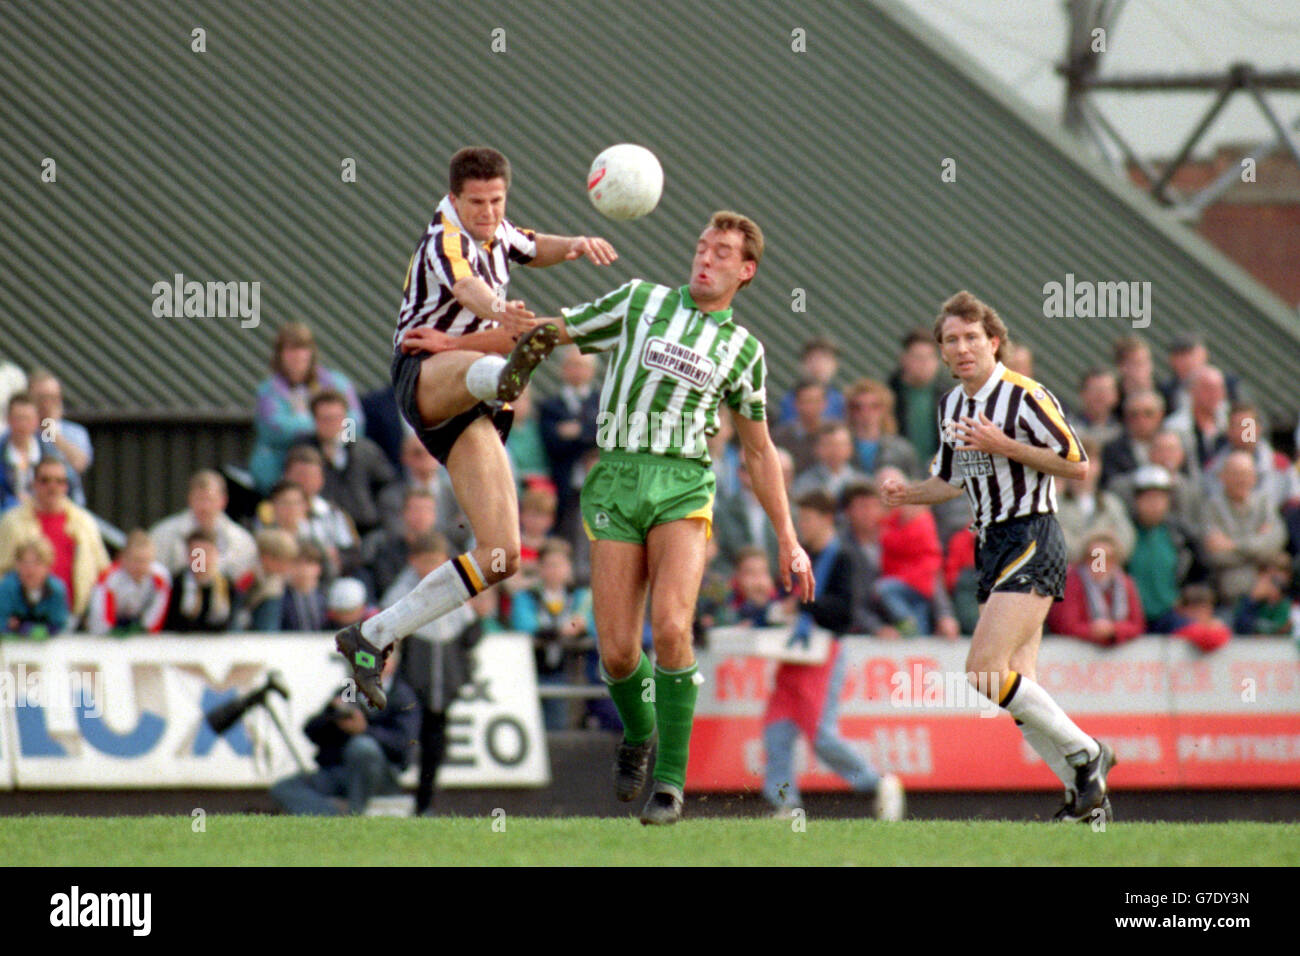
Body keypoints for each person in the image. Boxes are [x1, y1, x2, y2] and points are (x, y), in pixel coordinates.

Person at [541, 210, 815, 824]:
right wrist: (466, 340)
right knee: (615, 652)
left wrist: (787, 538)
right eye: (702, 245)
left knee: (670, 627)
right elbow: (554, 332)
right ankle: (639, 731)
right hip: (615, 474)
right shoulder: (639, 300)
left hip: (683, 482)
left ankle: (669, 784)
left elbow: (759, 449)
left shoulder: (744, 351)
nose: (706, 257)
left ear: (745, 271)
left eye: (722, 252)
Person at [336, 145, 617, 708]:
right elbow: (470, 288)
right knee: (517, 337)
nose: (488, 213)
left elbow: (533, 246)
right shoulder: (445, 239)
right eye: (478, 203)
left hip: (469, 397)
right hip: (424, 373)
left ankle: (371, 636)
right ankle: (508, 371)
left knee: (501, 555)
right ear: (455, 198)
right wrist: (500, 313)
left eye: (497, 201)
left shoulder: (497, 227)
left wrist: (577, 246)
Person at [881, 290, 1114, 823]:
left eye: (971, 338)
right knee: (1017, 688)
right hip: (989, 544)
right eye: (951, 340)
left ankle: (1089, 753)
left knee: (985, 673)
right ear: (941, 351)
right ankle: (1087, 808)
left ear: (994, 342)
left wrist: (1004, 444)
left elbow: (1076, 464)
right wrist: (907, 495)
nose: (962, 348)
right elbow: (951, 479)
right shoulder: (951, 405)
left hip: (1032, 534)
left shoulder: (1025, 395)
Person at [763, 490, 904, 818]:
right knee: (777, 728)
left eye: (807, 519)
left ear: (827, 519)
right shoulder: (802, 555)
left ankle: (877, 783)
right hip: (796, 654)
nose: (802, 526)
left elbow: (844, 612)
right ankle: (785, 805)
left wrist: (799, 604)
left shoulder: (843, 557)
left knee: (821, 736)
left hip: (823, 655)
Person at [385, 532, 483, 815]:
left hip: (443, 683)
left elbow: (469, 636)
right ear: (413, 561)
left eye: (437, 561)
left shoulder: (456, 592)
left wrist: (480, 616)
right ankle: (390, 791)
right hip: (412, 683)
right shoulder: (400, 593)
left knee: (435, 745)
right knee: (405, 738)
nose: (432, 567)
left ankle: (424, 803)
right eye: (426, 561)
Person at [270, 651, 419, 816]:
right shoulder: (350, 691)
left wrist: (365, 730)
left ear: (393, 662)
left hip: (380, 774)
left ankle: (354, 812)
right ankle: (333, 818)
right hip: (341, 771)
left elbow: (403, 742)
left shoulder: (402, 696)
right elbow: (311, 730)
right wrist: (332, 715)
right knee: (285, 788)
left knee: (363, 747)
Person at [249, 321, 364, 494]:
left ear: (312, 352)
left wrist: (334, 438)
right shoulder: (269, 390)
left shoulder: (337, 383)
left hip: (336, 461)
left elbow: (357, 425)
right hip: (281, 466)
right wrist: (321, 426)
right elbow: (273, 429)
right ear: (279, 354)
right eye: (290, 350)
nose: (297, 356)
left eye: (302, 349)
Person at [0, 457, 109, 625]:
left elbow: (103, 571)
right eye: (45, 480)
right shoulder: (12, 522)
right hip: (23, 621)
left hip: (77, 621)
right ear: (34, 484)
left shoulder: (84, 523)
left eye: (59, 481)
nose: (53, 487)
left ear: (66, 486)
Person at [292, 390, 396, 536]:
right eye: (326, 419)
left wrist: (379, 512)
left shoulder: (364, 450)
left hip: (366, 526)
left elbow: (387, 483)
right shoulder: (303, 451)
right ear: (315, 420)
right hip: (322, 526)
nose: (332, 424)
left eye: (337, 418)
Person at [1201, 451, 1287, 608]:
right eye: (1236, 474)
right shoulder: (1210, 508)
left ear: (1254, 477)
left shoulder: (1264, 503)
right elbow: (1214, 555)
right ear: (1222, 477)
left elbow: (1276, 542)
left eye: (1246, 473)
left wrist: (1233, 545)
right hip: (1231, 586)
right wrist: (1258, 548)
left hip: (1267, 583)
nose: (1241, 479)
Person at [150, 470, 259, 587]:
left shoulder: (241, 540)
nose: (205, 507)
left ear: (223, 501)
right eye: (200, 499)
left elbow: (244, 581)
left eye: (210, 500)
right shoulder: (163, 534)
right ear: (190, 499)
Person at [1047, 530, 1145, 646]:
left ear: (1116, 560)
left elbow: (1138, 625)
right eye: (1094, 557)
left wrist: (1114, 630)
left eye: (1107, 558)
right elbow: (1065, 625)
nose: (1100, 564)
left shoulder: (1126, 583)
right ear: (1085, 558)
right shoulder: (1071, 582)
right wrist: (1093, 631)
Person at [86, 530, 172, 635]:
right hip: (114, 625)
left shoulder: (161, 577)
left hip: (138, 623)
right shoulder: (108, 579)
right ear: (123, 558)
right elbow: (99, 619)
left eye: (146, 561)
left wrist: (146, 630)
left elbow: (157, 612)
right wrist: (109, 633)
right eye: (137, 560)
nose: (141, 567)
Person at [28, 370, 93, 507]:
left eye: (53, 397)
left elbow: (80, 464)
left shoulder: (75, 432)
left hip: (70, 507)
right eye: (42, 398)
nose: (47, 403)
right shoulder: (20, 431)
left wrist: (52, 431)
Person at [888, 328, 946, 464]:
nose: (924, 363)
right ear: (904, 359)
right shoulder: (889, 394)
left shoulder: (949, 397)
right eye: (918, 357)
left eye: (929, 357)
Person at [163, 529, 234, 633]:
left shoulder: (227, 585)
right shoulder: (175, 583)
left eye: (206, 552)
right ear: (188, 555)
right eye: (196, 554)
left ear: (216, 554)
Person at [0, 535, 70, 638]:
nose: (30, 569)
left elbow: (60, 624)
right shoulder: (7, 588)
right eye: (24, 563)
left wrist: (37, 629)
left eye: (37, 563)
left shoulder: (56, 590)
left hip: (48, 649)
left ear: (48, 566)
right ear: (17, 565)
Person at [778, 338, 844, 424]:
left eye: (825, 360)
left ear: (835, 365)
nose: (818, 365)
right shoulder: (789, 400)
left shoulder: (841, 401)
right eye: (813, 359)